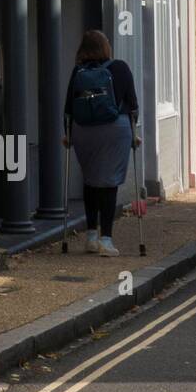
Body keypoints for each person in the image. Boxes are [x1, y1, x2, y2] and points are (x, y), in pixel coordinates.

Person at [63, 30, 140, 257]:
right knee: (109, 183)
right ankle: (106, 240)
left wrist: (67, 134)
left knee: (91, 180)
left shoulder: (78, 71)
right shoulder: (121, 68)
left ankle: (91, 237)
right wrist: (133, 133)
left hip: (83, 131)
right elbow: (133, 105)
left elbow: (68, 109)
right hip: (115, 130)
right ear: (106, 47)